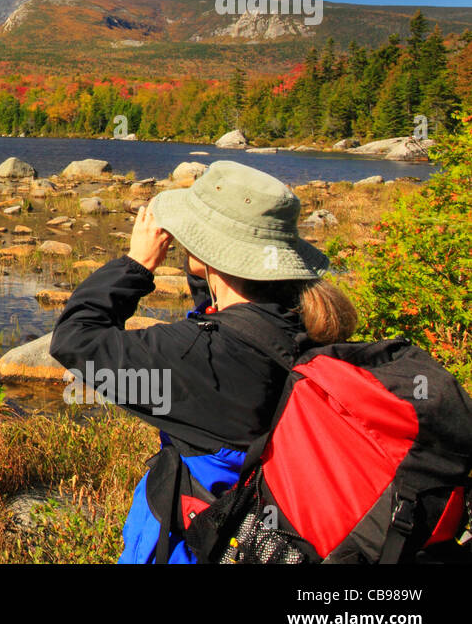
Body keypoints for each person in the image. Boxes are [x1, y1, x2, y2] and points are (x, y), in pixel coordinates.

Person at [50, 159, 357, 563]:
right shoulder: (304, 325)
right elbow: (225, 318)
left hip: (196, 544)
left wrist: (136, 266)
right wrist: (206, 258)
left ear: (211, 253)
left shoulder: (201, 357)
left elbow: (77, 340)